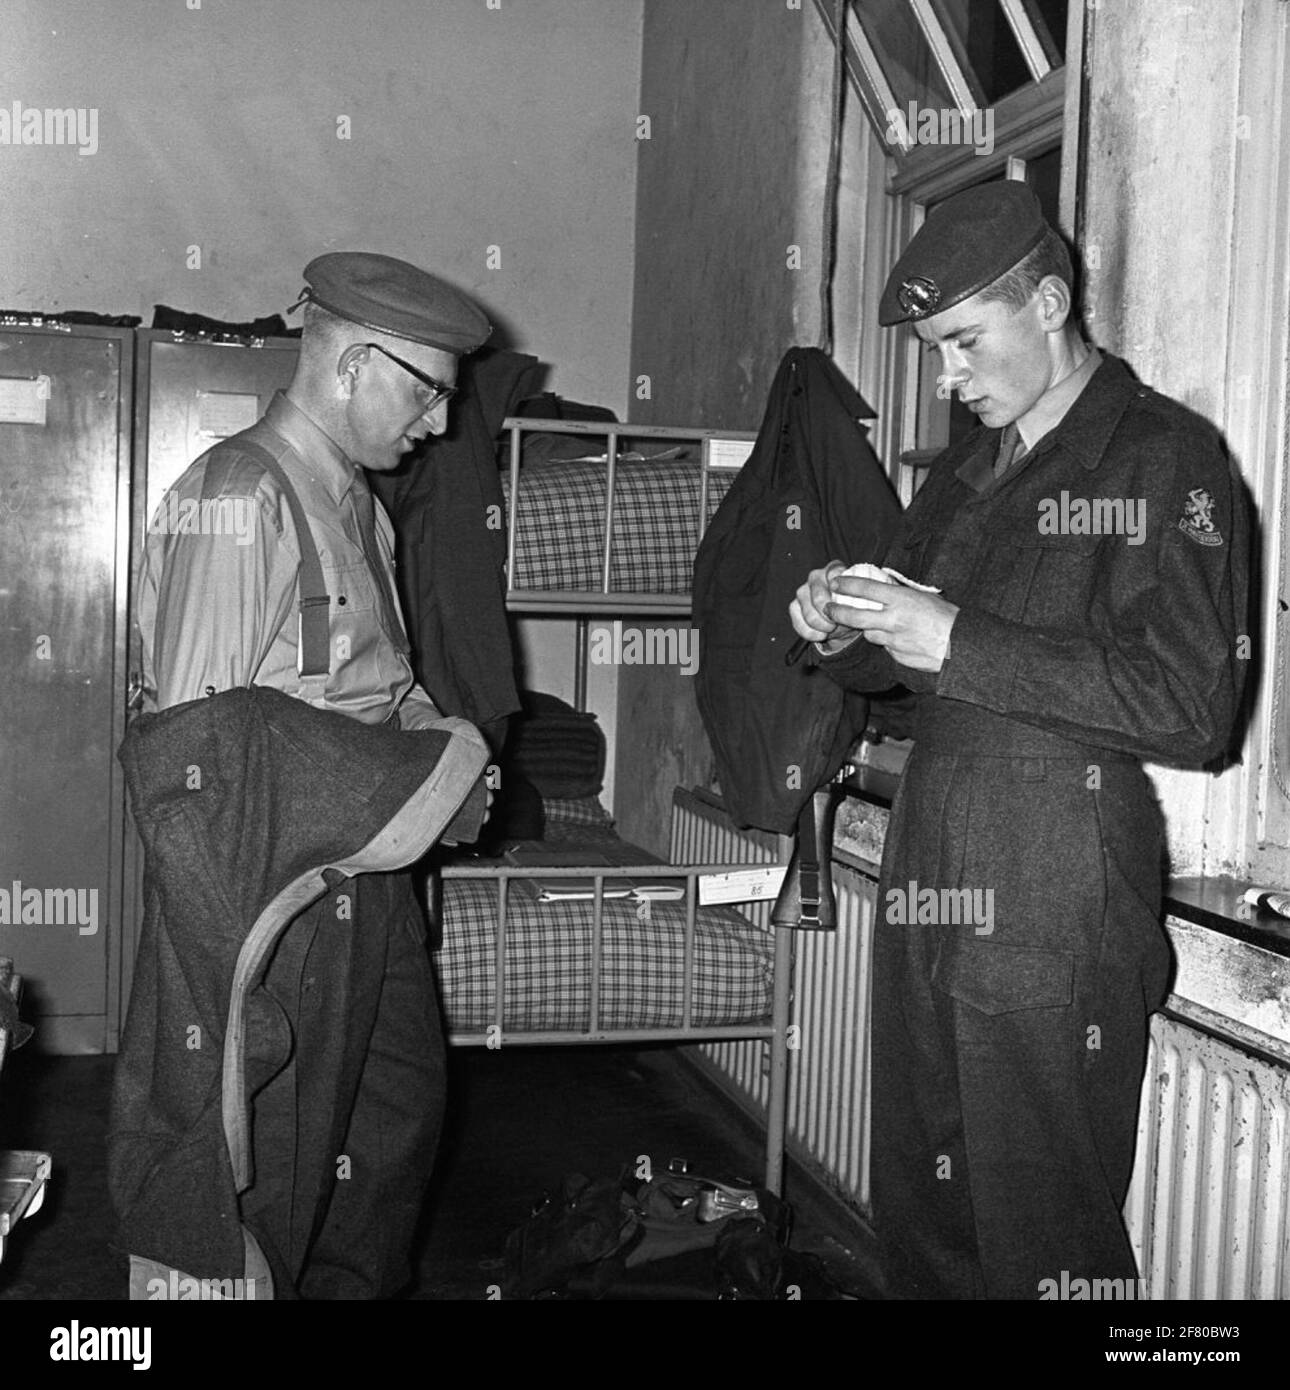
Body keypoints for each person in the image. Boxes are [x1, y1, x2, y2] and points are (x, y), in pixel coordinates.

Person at [790, 181, 1249, 1299]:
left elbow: (1194, 703)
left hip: (1054, 871)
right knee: (928, 1210)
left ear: (1048, 304)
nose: (947, 380)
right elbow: (912, 656)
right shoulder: (965, 467)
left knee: (1041, 1235)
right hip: (934, 849)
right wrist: (840, 623)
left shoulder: (1166, 462)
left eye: (962, 345)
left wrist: (958, 636)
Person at [123, 251, 492, 1299]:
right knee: (276, 1175)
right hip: (281, 907)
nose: (438, 426)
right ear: (354, 363)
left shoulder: (364, 511)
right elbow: (191, 768)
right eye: (426, 394)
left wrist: (449, 764)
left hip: (375, 891)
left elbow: (392, 687)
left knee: (388, 1141)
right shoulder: (241, 494)